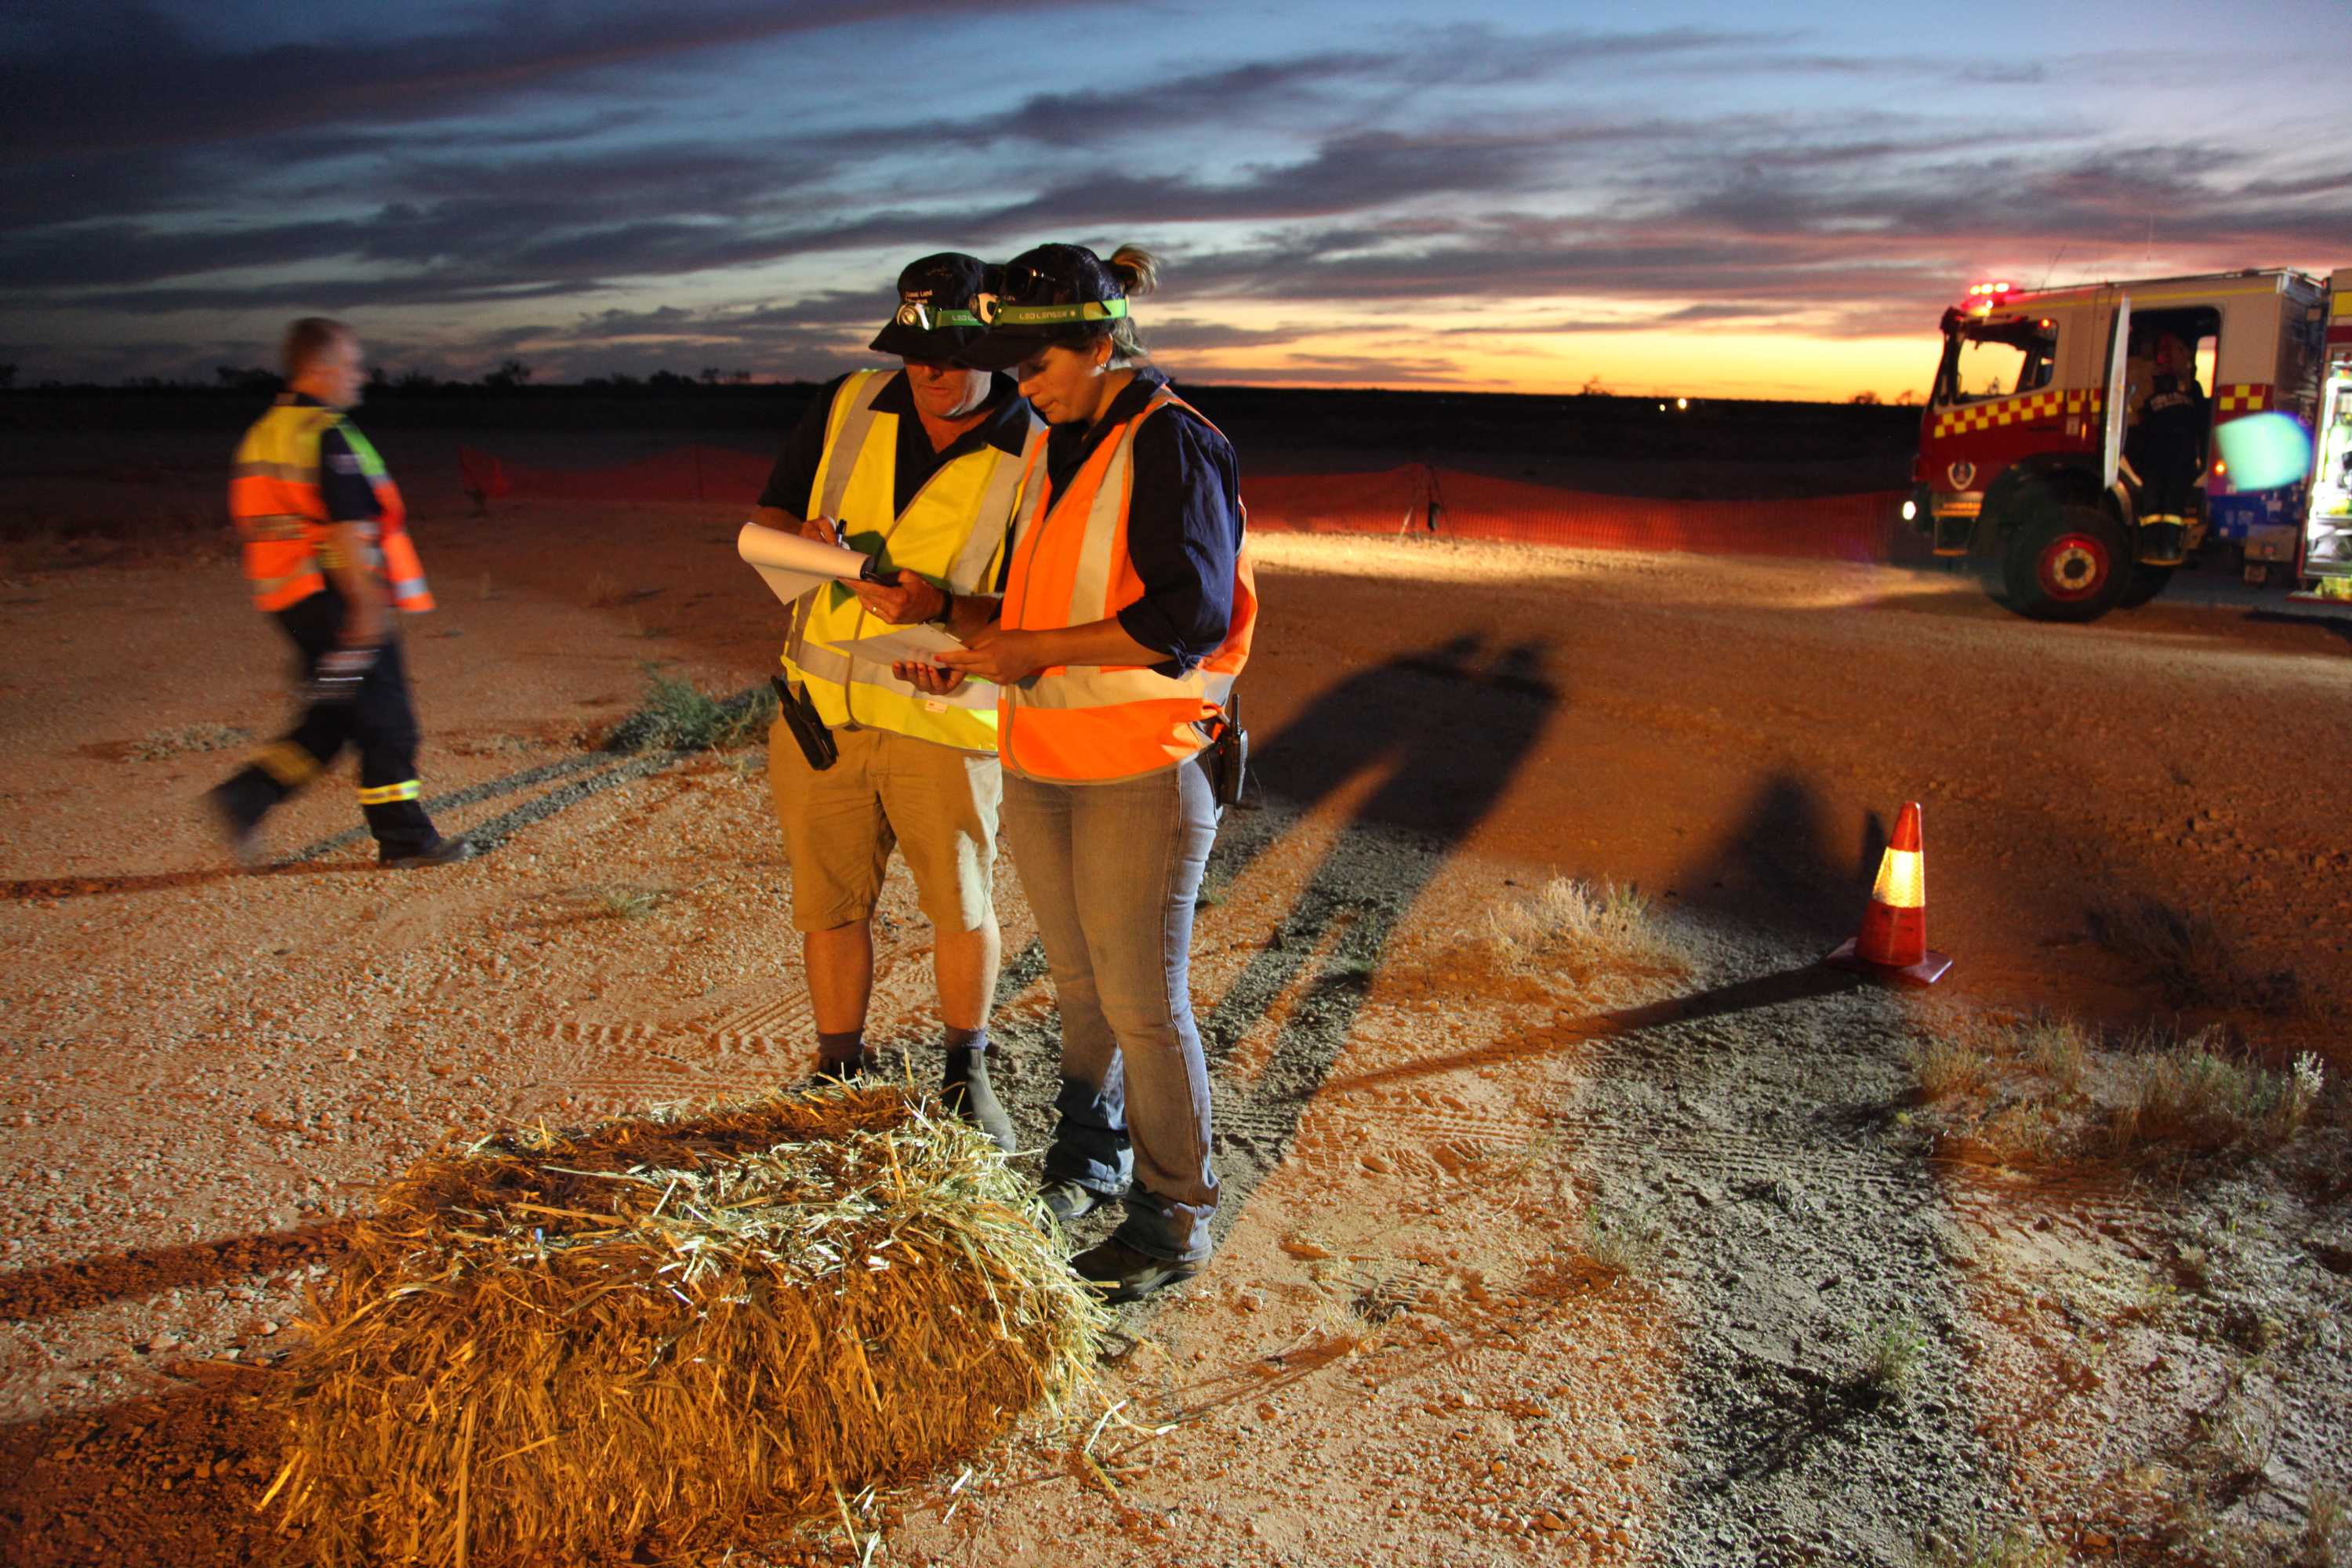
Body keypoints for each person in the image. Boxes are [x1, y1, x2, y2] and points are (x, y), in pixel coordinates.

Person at [902, 243, 1257, 1301]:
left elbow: (1184, 619)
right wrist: (940, 616)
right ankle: (1086, 1159)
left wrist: (1035, 652)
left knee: (1145, 1005)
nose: (1021, 380)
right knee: (1086, 992)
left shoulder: (1173, 444)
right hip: (1049, 756)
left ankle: (1172, 1216)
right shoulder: (1052, 450)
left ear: (1102, 344)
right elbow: (1030, 615)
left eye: (1036, 356)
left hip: (1139, 768)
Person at [748, 252, 1044, 1151]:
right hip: (821, 718)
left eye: (950, 355)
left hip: (944, 720)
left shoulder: (1037, 448)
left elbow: (1043, 613)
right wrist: (799, 543)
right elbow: (764, 532)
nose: (928, 372)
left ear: (997, 350)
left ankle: (968, 1072)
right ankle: (838, 1067)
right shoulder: (846, 406)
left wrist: (945, 617)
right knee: (829, 904)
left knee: (960, 903)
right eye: (913, 352)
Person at [209, 318, 472, 869]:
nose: (361, 375)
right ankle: (406, 840)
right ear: (321, 369)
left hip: (292, 599)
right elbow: (346, 530)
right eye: (352, 364)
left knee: (331, 719)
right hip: (337, 602)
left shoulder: (268, 431)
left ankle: (245, 797)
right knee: (388, 720)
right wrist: (364, 608)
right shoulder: (325, 436)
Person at [2125, 330, 2207, 566]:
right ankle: (2165, 548)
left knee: (2158, 507)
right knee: (2167, 507)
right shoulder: (2187, 400)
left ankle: (2156, 548)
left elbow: (2140, 427)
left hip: (2161, 461)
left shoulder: (2156, 402)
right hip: (2174, 462)